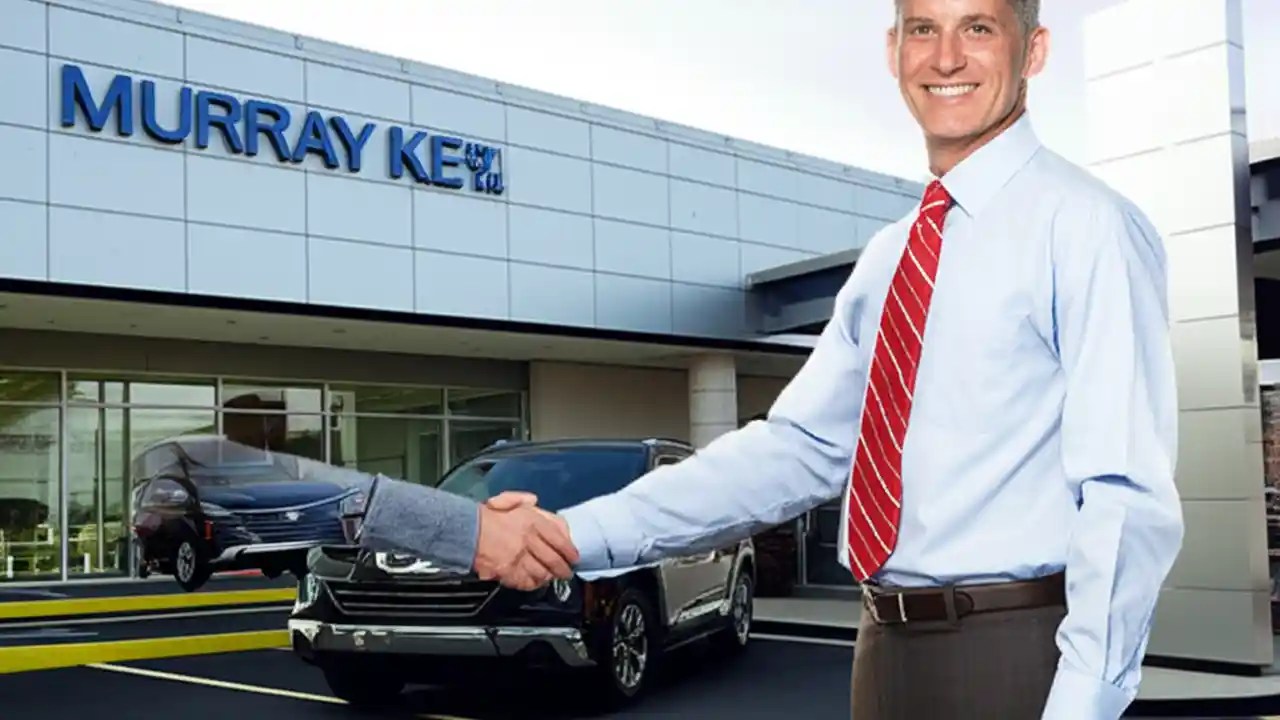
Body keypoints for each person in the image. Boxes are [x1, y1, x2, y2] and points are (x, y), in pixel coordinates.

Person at [455, 1, 1184, 718]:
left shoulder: (1088, 228)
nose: (947, 56)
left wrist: (1084, 702)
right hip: (883, 651)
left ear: (1035, 51)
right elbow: (795, 450)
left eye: (980, 28)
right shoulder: (891, 257)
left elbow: (1123, 496)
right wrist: (574, 536)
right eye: (924, 28)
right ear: (894, 50)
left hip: (1011, 650)